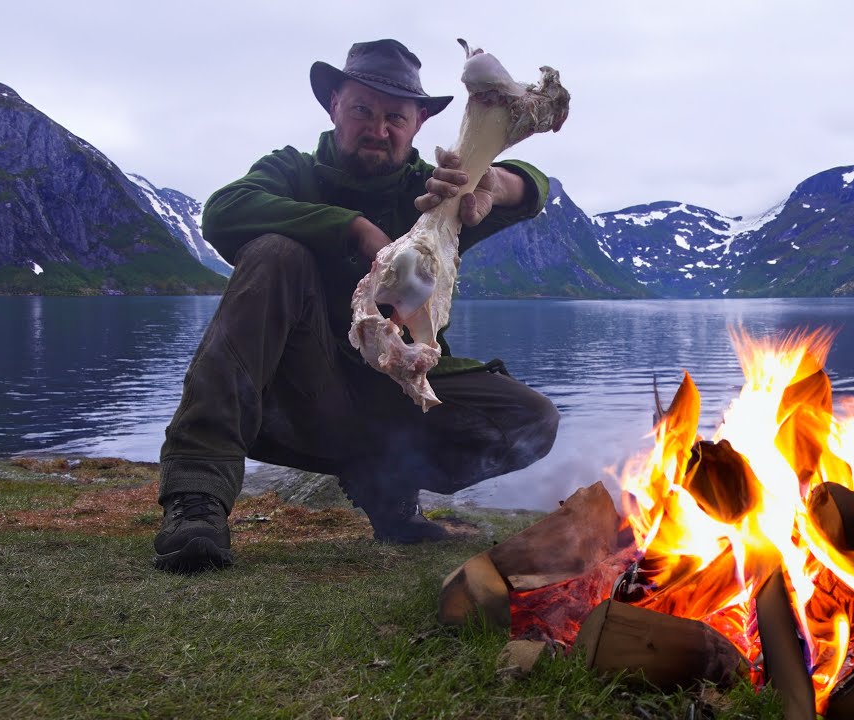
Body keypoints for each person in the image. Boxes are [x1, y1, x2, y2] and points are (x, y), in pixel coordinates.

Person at [152, 39, 560, 573]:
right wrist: (353, 228)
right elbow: (223, 212)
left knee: (531, 419)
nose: (378, 128)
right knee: (276, 253)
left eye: (395, 116)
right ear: (333, 107)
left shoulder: (436, 192)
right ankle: (197, 498)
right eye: (362, 110)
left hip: (394, 394)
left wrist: (494, 184)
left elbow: (536, 187)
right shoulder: (292, 172)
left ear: (417, 125)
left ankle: (386, 484)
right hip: (300, 391)